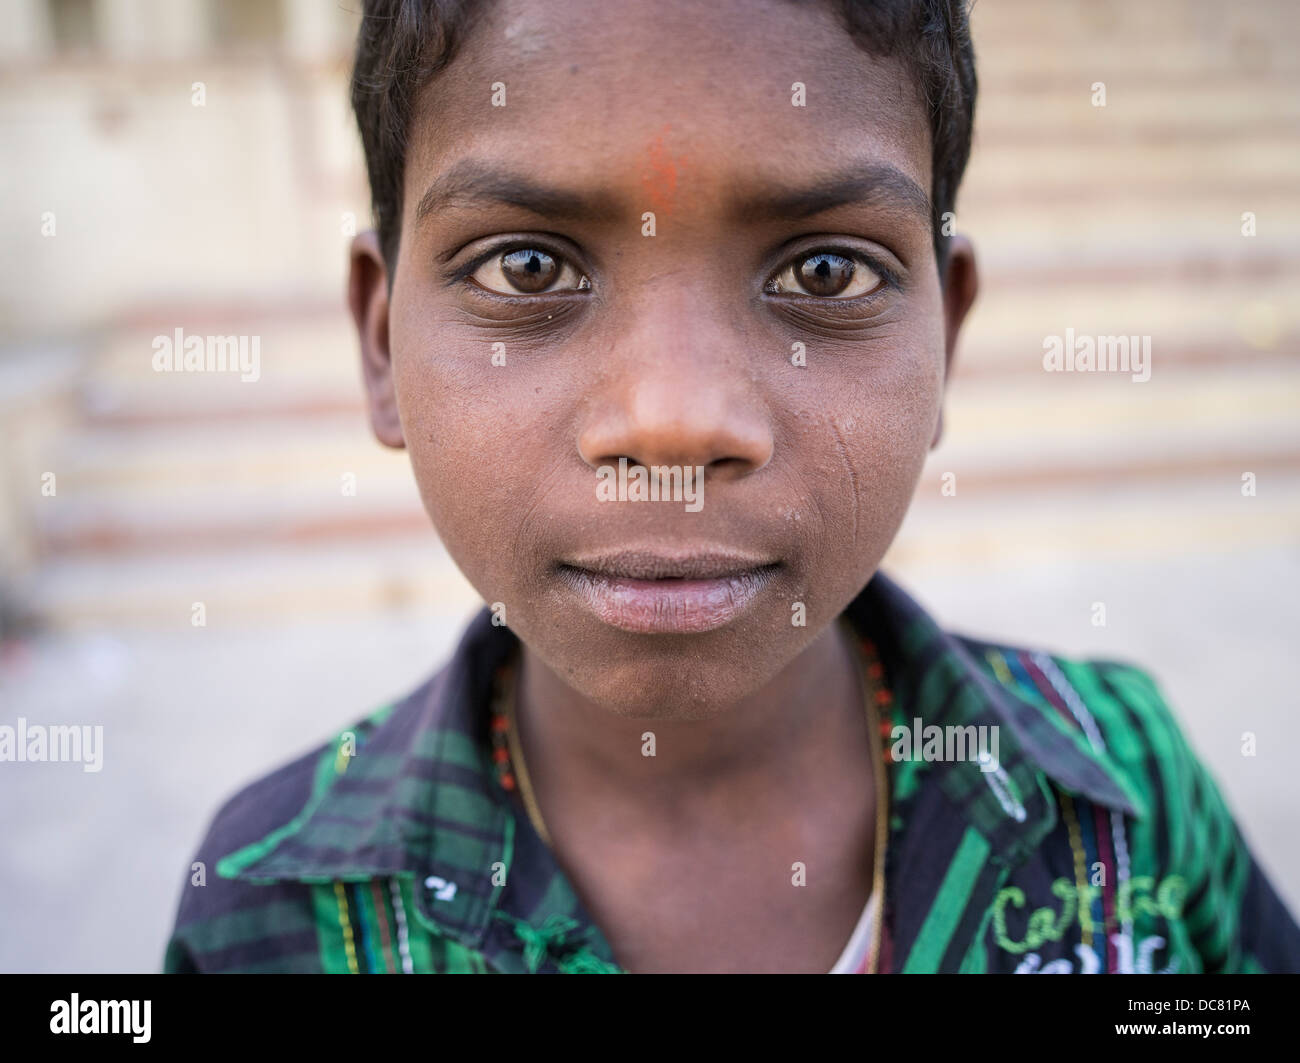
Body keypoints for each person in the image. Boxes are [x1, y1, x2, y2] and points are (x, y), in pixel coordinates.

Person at [163, 0, 1300, 974]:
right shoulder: (270, 910)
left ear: (944, 339)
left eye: (824, 270)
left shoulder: (1123, 794)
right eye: (527, 265)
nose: (675, 417)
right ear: (380, 344)